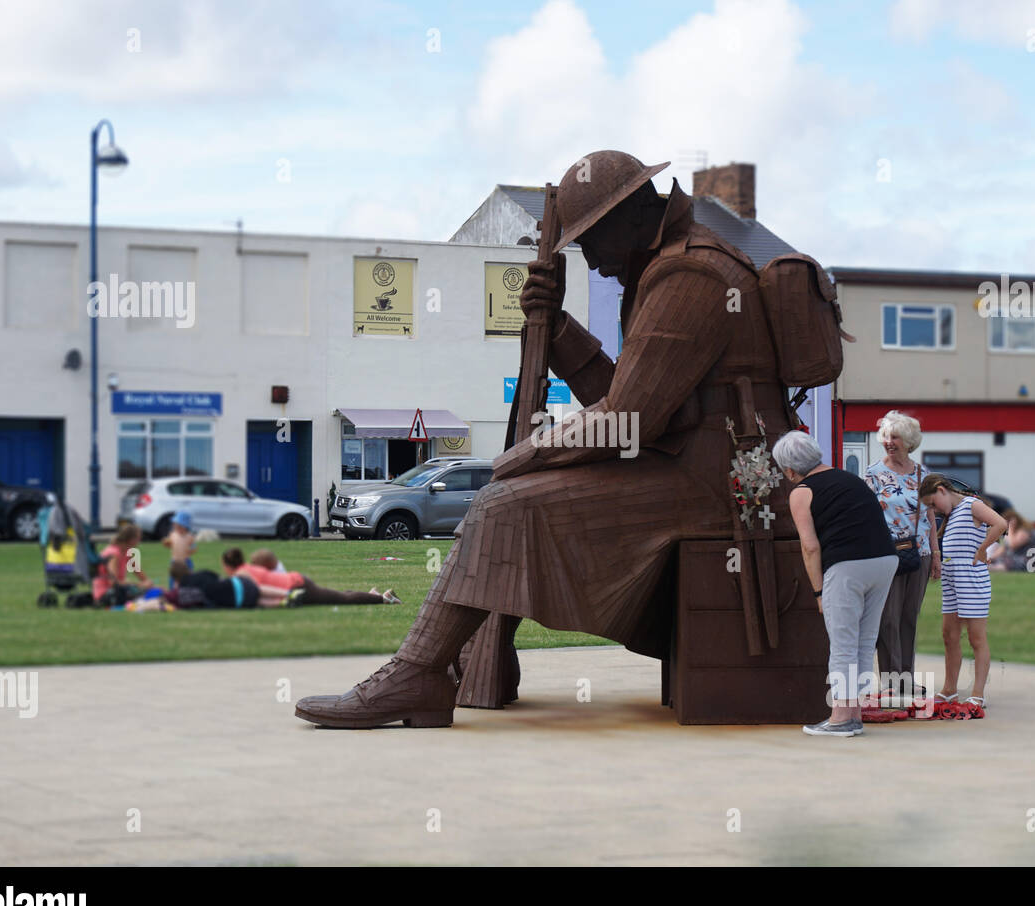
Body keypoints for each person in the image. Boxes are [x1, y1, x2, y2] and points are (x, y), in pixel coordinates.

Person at [295, 149, 804, 728]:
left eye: (591, 240)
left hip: (722, 484)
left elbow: (630, 418)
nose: (590, 257)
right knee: (503, 501)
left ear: (633, 213)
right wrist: (558, 328)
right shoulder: (669, 265)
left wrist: (528, 453)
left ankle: (417, 674)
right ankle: (422, 671)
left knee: (502, 504)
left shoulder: (688, 273)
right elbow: (636, 402)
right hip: (695, 465)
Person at [773, 430, 898, 737]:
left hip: (847, 567)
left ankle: (841, 717)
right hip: (885, 561)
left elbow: (810, 547)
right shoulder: (849, 478)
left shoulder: (801, 492)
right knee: (864, 642)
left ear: (789, 470)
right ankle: (855, 711)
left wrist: (818, 591)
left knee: (842, 644)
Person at [863, 410, 938, 699]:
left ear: (908, 441)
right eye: (885, 437)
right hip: (887, 554)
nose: (888, 442)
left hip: (920, 554)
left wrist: (936, 555)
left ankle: (906, 679)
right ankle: (891, 681)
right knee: (888, 618)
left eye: (894, 437)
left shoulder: (923, 474)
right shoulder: (872, 474)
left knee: (910, 616)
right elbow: (868, 518)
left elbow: (931, 517)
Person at [919, 474, 1008, 715]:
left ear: (941, 490)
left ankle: (977, 694)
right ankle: (950, 689)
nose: (934, 510)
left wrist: (982, 549)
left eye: (933, 504)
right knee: (949, 634)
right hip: (952, 579)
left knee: (976, 638)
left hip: (971, 579)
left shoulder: (972, 506)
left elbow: (1001, 523)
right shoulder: (952, 515)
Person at [224, 548, 400, 605]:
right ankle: (372, 595)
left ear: (227, 565)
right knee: (338, 595)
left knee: (342, 598)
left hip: (298, 586)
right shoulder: (247, 568)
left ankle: (383, 599)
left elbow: (255, 592)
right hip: (297, 582)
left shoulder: (242, 574)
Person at [166, 557, 267, 609]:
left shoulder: (184, 589)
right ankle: (282, 596)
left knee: (257, 601)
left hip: (237, 602)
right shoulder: (203, 572)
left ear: (175, 578)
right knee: (256, 591)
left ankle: (280, 602)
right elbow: (220, 578)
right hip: (238, 584)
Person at [93, 524, 152, 606]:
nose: (139, 541)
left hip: (119, 592)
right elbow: (114, 582)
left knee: (154, 593)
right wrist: (139, 585)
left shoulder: (126, 551)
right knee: (148, 596)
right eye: (138, 538)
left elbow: (139, 573)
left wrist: (150, 585)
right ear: (131, 540)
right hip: (106, 595)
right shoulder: (113, 554)